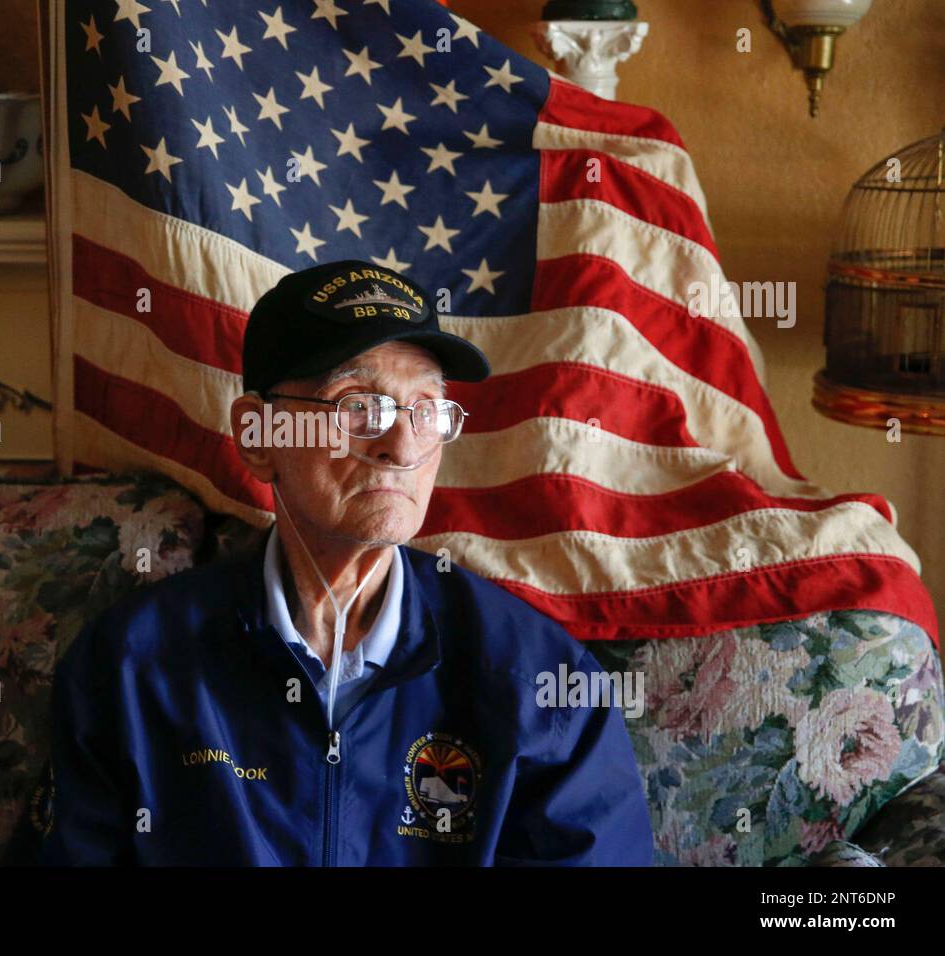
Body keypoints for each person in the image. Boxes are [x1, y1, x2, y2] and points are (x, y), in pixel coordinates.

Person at [41, 259, 654, 865]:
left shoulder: (541, 683)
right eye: (358, 407)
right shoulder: (131, 668)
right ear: (257, 437)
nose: (401, 446)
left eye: (426, 409)